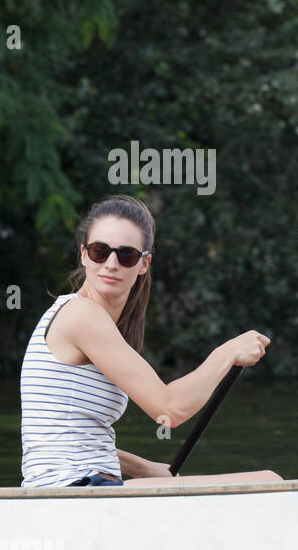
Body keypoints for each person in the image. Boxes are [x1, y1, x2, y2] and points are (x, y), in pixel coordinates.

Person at [20, 194, 281, 488]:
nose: (111, 263)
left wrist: (144, 468)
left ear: (144, 264)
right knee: (270, 483)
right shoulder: (81, 315)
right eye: (99, 251)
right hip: (71, 493)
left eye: (127, 255)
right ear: (84, 254)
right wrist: (227, 353)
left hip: (78, 489)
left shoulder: (90, 319)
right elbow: (169, 410)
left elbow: (66, 438)